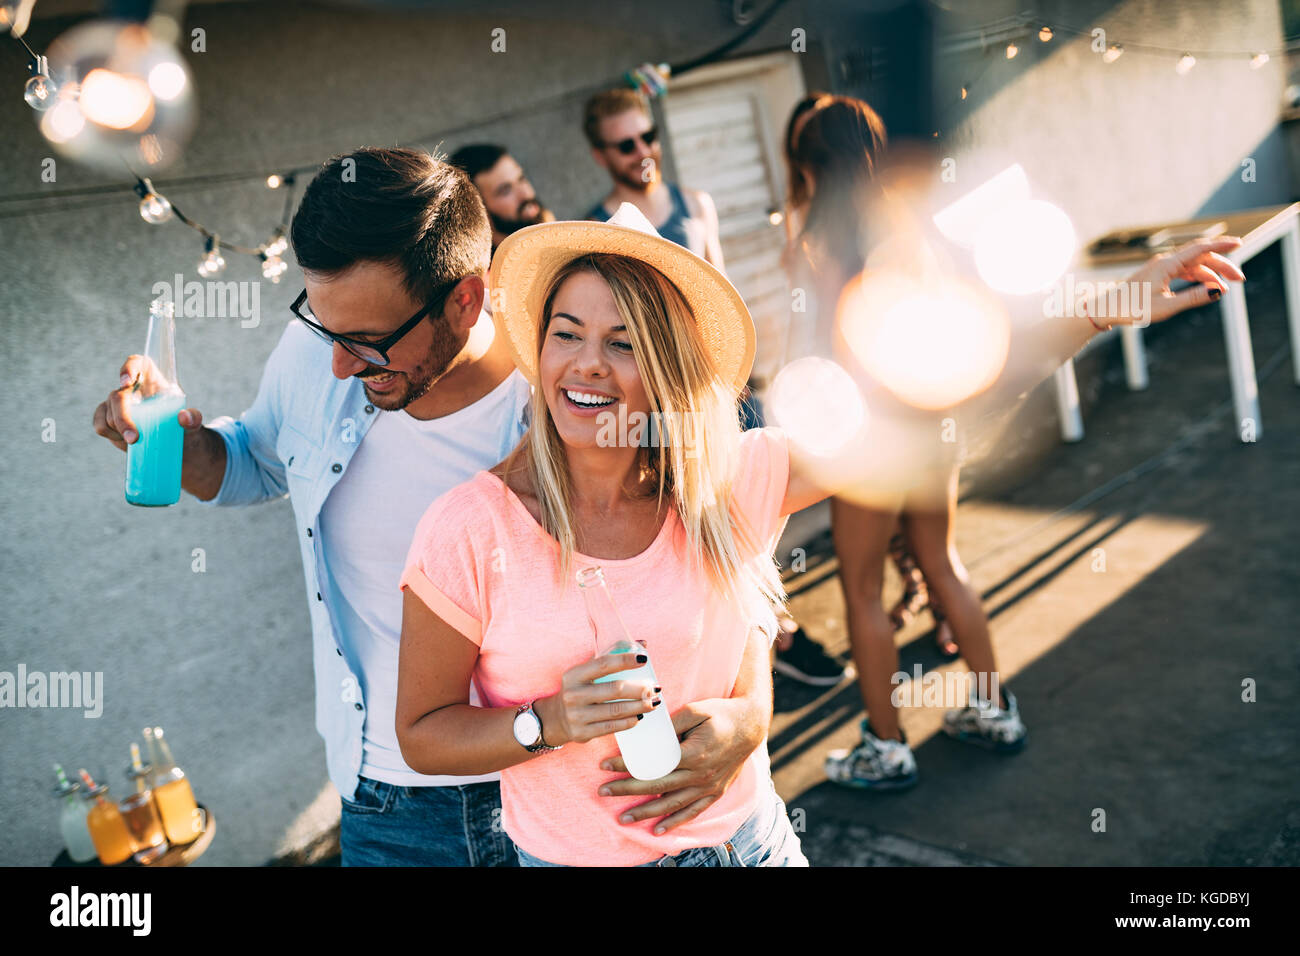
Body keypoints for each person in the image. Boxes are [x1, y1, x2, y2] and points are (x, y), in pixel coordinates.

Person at [777, 95, 1244, 790]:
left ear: (809, 164)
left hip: (865, 440)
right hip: (932, 424)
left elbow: (831, 356)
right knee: (943, 564)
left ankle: (886, 744)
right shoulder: (908, 224)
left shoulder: (814, 240)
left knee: (862, 592)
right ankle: (992, 708)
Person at [582, 87, 726, 270]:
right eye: (626, 146)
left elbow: (721, 288)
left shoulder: (697, 203)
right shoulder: (596, 231)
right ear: (600, 156)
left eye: (648, 137)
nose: (643, 152)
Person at [449, 143, 555, 254]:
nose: (526, 194)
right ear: (478, 212)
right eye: (505, 191)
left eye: (521, 178)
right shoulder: (490, 271)